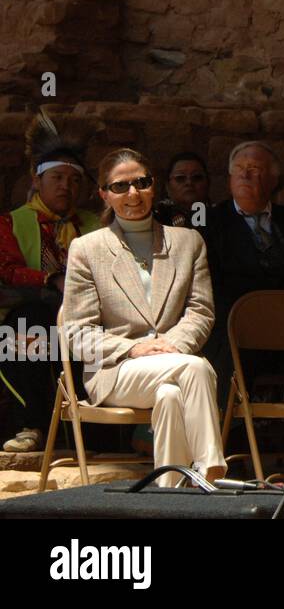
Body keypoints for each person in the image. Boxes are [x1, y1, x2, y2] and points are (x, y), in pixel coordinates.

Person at [61, 149, 226, 488]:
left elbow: (201, 311)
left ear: (154, 187)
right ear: (104, 194)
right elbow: (78, 333)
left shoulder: (188, 242)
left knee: (170, 395)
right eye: (120, 187)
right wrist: (134, 350)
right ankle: (211, 470)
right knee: (196, 367)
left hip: (171, 361)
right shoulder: (86, 249)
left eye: (141, 183)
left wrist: (171, 345)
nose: (133, 194)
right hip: (115, 369)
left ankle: (169, 494)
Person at [198, 142, 284, 446]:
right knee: (216, 341)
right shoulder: (209, 222)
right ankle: (229, 446)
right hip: (238, 332)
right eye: (239, 170)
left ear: (274, 181)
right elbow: (208, 286)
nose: (246, 175)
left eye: (256, 169)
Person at [0, 112, 101, 453]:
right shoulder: (11, 223)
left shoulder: (96, 224)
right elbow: (8, 269)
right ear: (37, 180)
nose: (66, 187)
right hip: (33, 314)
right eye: (57, 178)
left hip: (88, 317)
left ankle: (91, 430)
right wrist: (51, 278)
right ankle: (30, 426)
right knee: (26, 328)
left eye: (74, 181)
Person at [153, 152, 210, 228]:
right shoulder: (156, 219)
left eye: (196, 177)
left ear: (207, 183)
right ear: (168, 186)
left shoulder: (221, 218)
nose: (189, 182)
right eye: (180, 178)